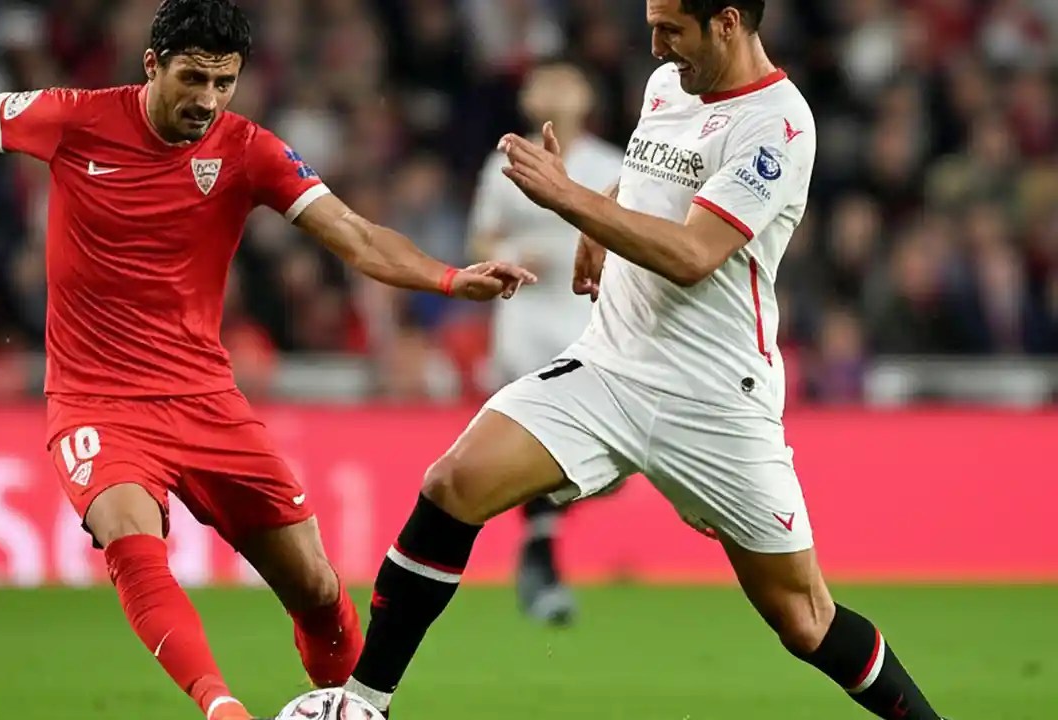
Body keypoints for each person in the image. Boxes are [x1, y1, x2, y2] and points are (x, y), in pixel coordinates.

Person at [0, 1, 535, 719]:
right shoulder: (76, 118)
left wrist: (448, 278)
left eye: (223, 80)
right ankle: (224, 708)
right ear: (152, 65)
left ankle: (350, 708)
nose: (208, 98)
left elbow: (356, 235)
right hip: (96, 402)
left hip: (205, 400)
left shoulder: (248, 150)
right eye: (193, 78)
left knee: (316, 590)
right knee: (131, 538)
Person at [338, 2, 950, 719]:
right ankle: (359, 705)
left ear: (726, 22)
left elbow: (694, 254)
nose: (655, 45)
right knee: (453, 483)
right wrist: (602, 204)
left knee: (804, 620)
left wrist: (568, 200)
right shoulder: (669, 86)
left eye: (671, 30)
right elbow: (651, 175)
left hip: (715, 397)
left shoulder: (777, 125)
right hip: (612, 365)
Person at [466, 59, 624, 626]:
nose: (556, 91)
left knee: (598, 460)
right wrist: (507, 255)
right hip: (524, 312)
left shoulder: (609, 163)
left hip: (585, 310)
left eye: (568, 80)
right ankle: (541, 555)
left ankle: (540, 543)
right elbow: (480, 237)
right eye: (545, 82)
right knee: (538, 431)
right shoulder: (506, 160)